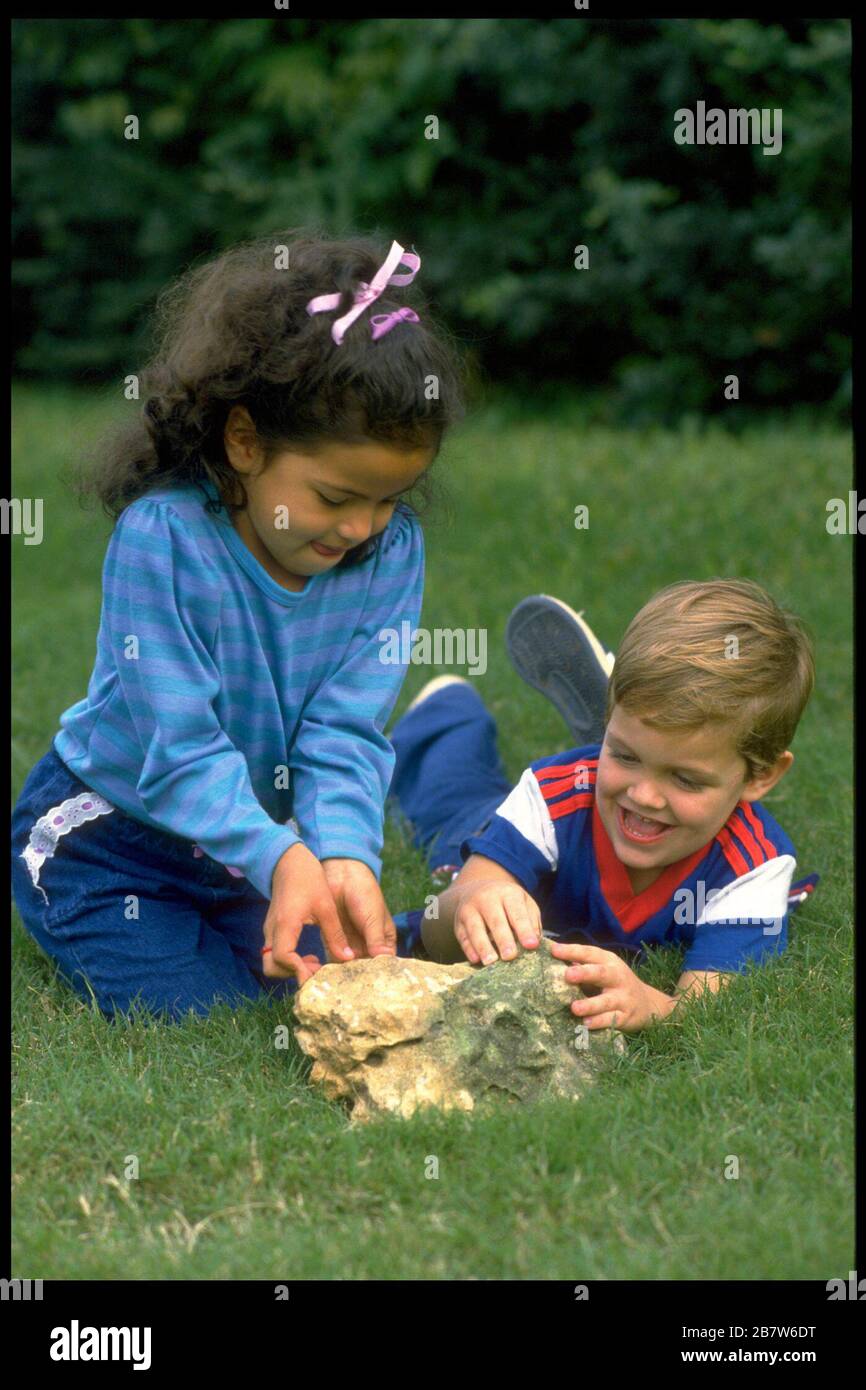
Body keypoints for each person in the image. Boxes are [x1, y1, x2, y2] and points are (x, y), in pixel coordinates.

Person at [11, 230, 466, 1022]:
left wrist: (341, 854)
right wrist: (281, 855)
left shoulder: (391, 552)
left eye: (389, 498)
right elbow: (178, 749)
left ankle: (424, 912)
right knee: (212, 1013)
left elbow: (344, 729)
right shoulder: (166, 540)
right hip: (110, 845)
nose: (363, 527)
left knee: (320, 982)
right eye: (334, 497)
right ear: (246, 441)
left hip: (242, 847)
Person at [388, 581, 819, 1033]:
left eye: (686, 778)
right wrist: (472, 901)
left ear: (761, 776)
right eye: (625, 755)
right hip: (538, 815)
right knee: (452, 799)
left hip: (587, 810)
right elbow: (434, 931)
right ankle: (444, 712)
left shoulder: (754, 866)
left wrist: (648, 1005)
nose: (644, 795)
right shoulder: (550, 796)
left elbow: (707, 1006)